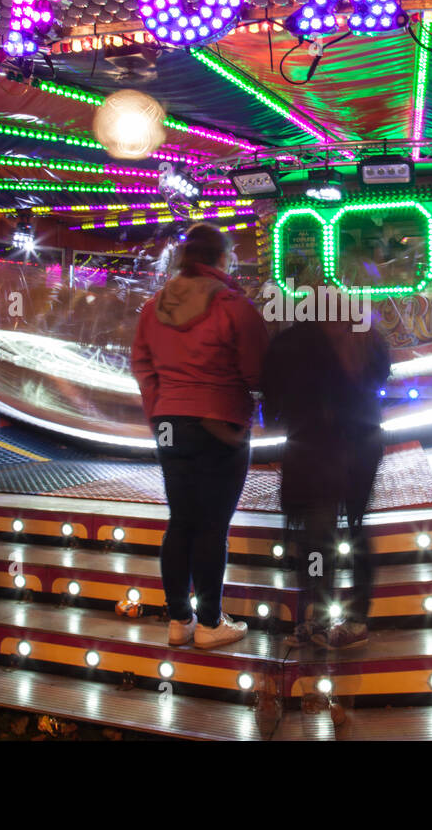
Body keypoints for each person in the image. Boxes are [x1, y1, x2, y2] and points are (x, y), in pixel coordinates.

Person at [131, 223, 269, 649]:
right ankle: (210, 623)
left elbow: (141, 364)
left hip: (170, 422)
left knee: (181, 521)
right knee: (212, 526)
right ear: (222, 259)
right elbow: (258, 371)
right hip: (219, 424)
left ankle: (179, 620)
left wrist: (159, 409)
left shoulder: (154, 307)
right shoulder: (233, 307)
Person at [263, 312, 391, 649]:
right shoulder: (365, 336)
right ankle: (355, 620)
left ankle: (316, 621)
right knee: (356, 529)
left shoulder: (292, 340)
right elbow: (380, 377)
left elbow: (273, 398)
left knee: (317, 535)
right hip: (360, 441)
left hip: (314, 447)